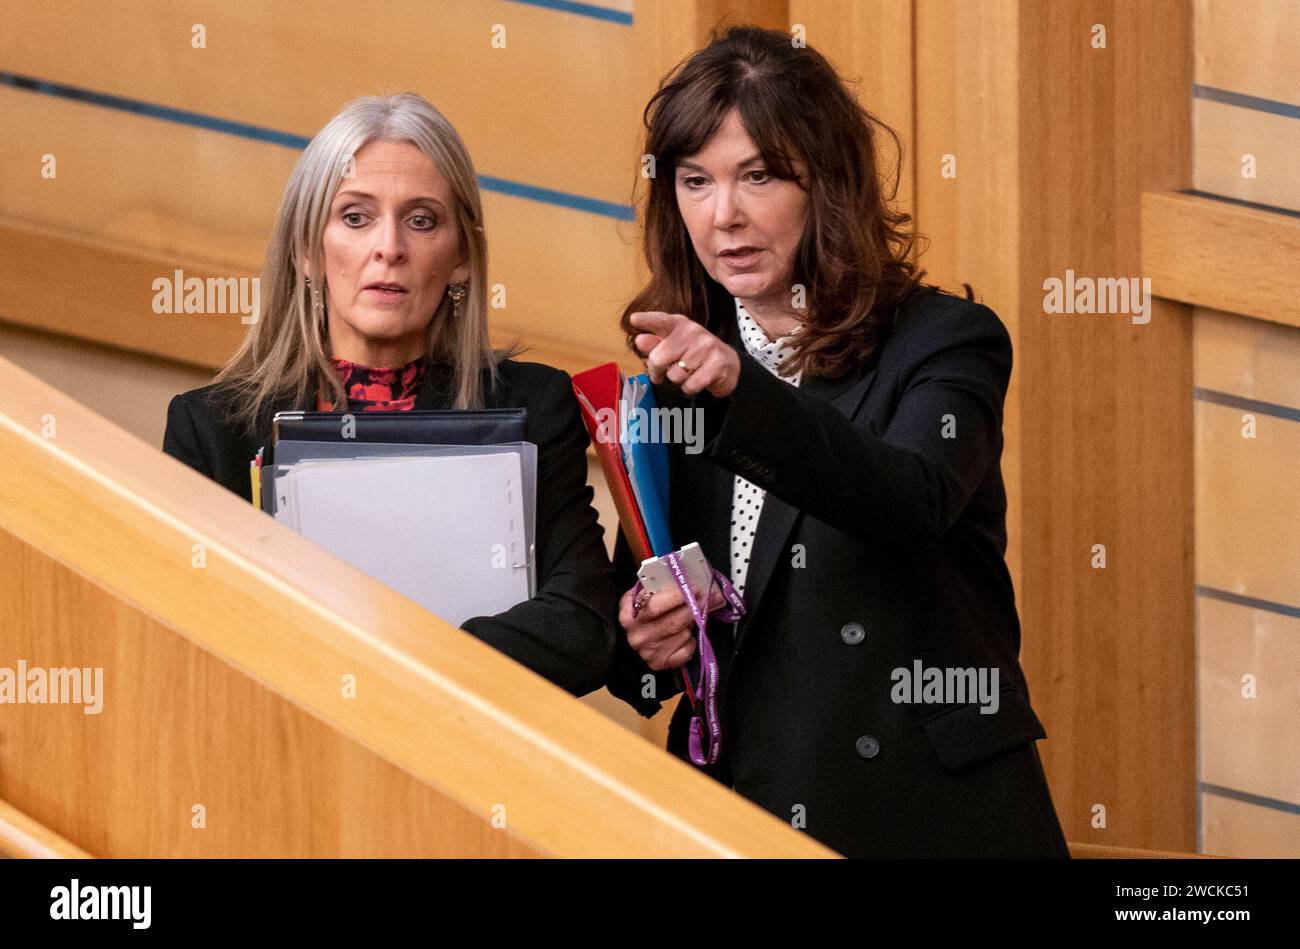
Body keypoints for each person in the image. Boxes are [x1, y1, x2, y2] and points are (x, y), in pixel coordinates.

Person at [606, 27, 1069, 857]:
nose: (725, 215)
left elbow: (908, 497)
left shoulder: (944, 340)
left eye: (760, 175)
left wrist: (741, 394)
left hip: (925, 817)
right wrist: (645, 632)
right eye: (696, 181)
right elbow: (639, 636)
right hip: (741, 812)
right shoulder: (683, 366)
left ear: (829, 184)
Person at [163, 93, 616, 697]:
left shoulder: (535, 405)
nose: (390, 248)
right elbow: (189, 641)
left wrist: (398, 665)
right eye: (355, 217)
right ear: (306, 249)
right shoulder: (211, 428)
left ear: (460, 259)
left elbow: (584, 629)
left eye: (422, 220)